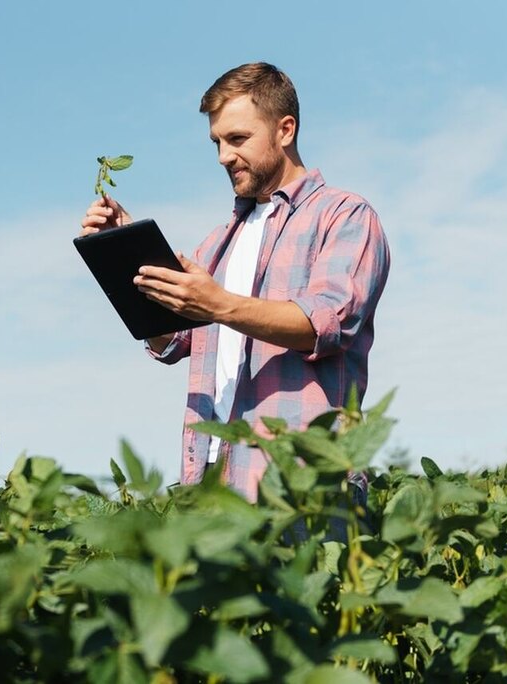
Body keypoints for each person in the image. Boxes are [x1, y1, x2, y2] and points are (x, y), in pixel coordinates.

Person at [80, 62, 390, 503]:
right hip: (211, 477)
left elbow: (326, 323)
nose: (223, 156)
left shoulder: (344, 217)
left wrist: (219, 304)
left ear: (285, 130)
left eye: (238, 138)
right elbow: (172, 342)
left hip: (301, 481)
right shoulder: (218, 243)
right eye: (217, 142)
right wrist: (126, 261)